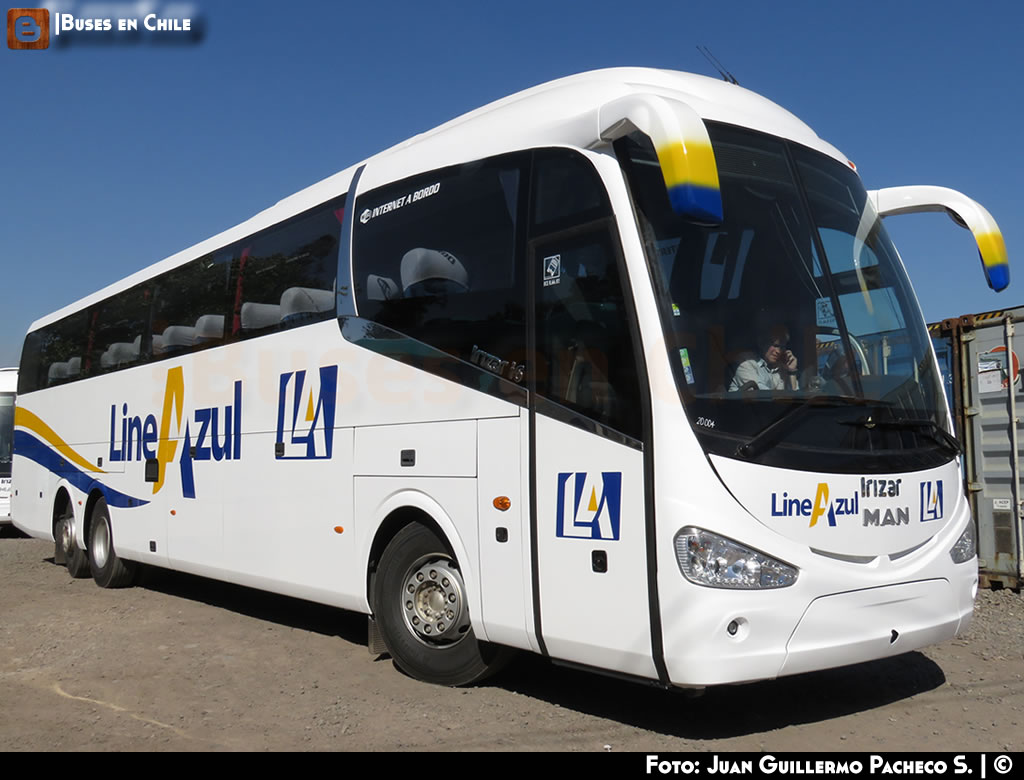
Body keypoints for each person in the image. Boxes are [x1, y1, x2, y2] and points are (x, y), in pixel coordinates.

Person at [729, 324, 798, 391]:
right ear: (762, 343)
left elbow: (794, 396)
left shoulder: (781, 368)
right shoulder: (745, 361)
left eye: (782, 347)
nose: (778, 351)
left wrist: (791, 371)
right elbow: (761, 394)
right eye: (775, 345)